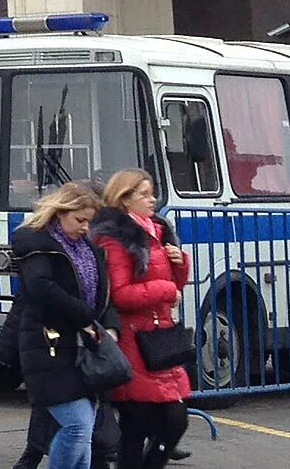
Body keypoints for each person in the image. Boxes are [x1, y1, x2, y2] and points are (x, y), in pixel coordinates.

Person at [13, 182, 120, 469]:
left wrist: (107, 325)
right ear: (61, 212)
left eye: (89, 221)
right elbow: (41, 288)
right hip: (47, 345)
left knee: (82, 431)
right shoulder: (36, 242)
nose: (86, 228)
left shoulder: (88, 250)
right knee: (77, 425)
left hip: (78, 349)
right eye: (80, 220)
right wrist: (85, 318)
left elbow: (104, 294)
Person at [90, 170, 190, 469]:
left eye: (151, 193)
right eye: (144, 194)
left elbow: (175, 284)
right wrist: (165, 289)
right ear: (125, 200)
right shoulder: (116, 238)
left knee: (173, 419)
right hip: (135, 340)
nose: (152, 200)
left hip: (159, 338)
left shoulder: (156, 230)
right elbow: (120, 294)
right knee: (141, 423)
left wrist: (180, 263)